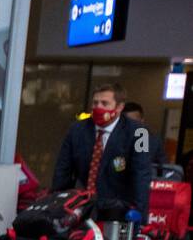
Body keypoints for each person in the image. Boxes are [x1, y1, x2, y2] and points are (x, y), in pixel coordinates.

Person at [51, 83, 152, 216]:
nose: (98, 108)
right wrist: (56, 205)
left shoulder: (140, 132)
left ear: (120, 107)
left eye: (105, 103)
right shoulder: (76, 130)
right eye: (95, 103)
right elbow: (62, 170)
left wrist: (139, 213)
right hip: (83, 206)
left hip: (119, 208)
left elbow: (142, 174)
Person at [122, 101, 166, 168]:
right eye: (126, 122)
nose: (130, 125)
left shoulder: (154, 141)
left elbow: (164, 168)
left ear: (142, 120)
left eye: (134, 122)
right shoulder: (116, 139)